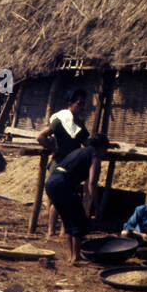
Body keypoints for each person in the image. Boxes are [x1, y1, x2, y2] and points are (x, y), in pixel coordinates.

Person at [45, 132, 108, 265]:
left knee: (69, 221)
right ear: (101, 147)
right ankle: (76, 257)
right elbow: (91, 183)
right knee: (78, 221)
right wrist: (96, 207)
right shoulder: (94, 156)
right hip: (63, 184)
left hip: (52, 182)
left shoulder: (80, 151)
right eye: (106, 148)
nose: (105, 152)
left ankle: (72, 256)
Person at [36, 89, 89, 237]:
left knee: (69, 199)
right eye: (79, 104)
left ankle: (63, 231)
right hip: (59, 165)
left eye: (84, 104)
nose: (82, 107)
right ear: (71, 104)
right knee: (57, 200)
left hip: (73, 167)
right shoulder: (61, 121)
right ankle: (51, 231)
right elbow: (40, 137)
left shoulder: (79, 124)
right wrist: (54, 149)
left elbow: (86, 141)